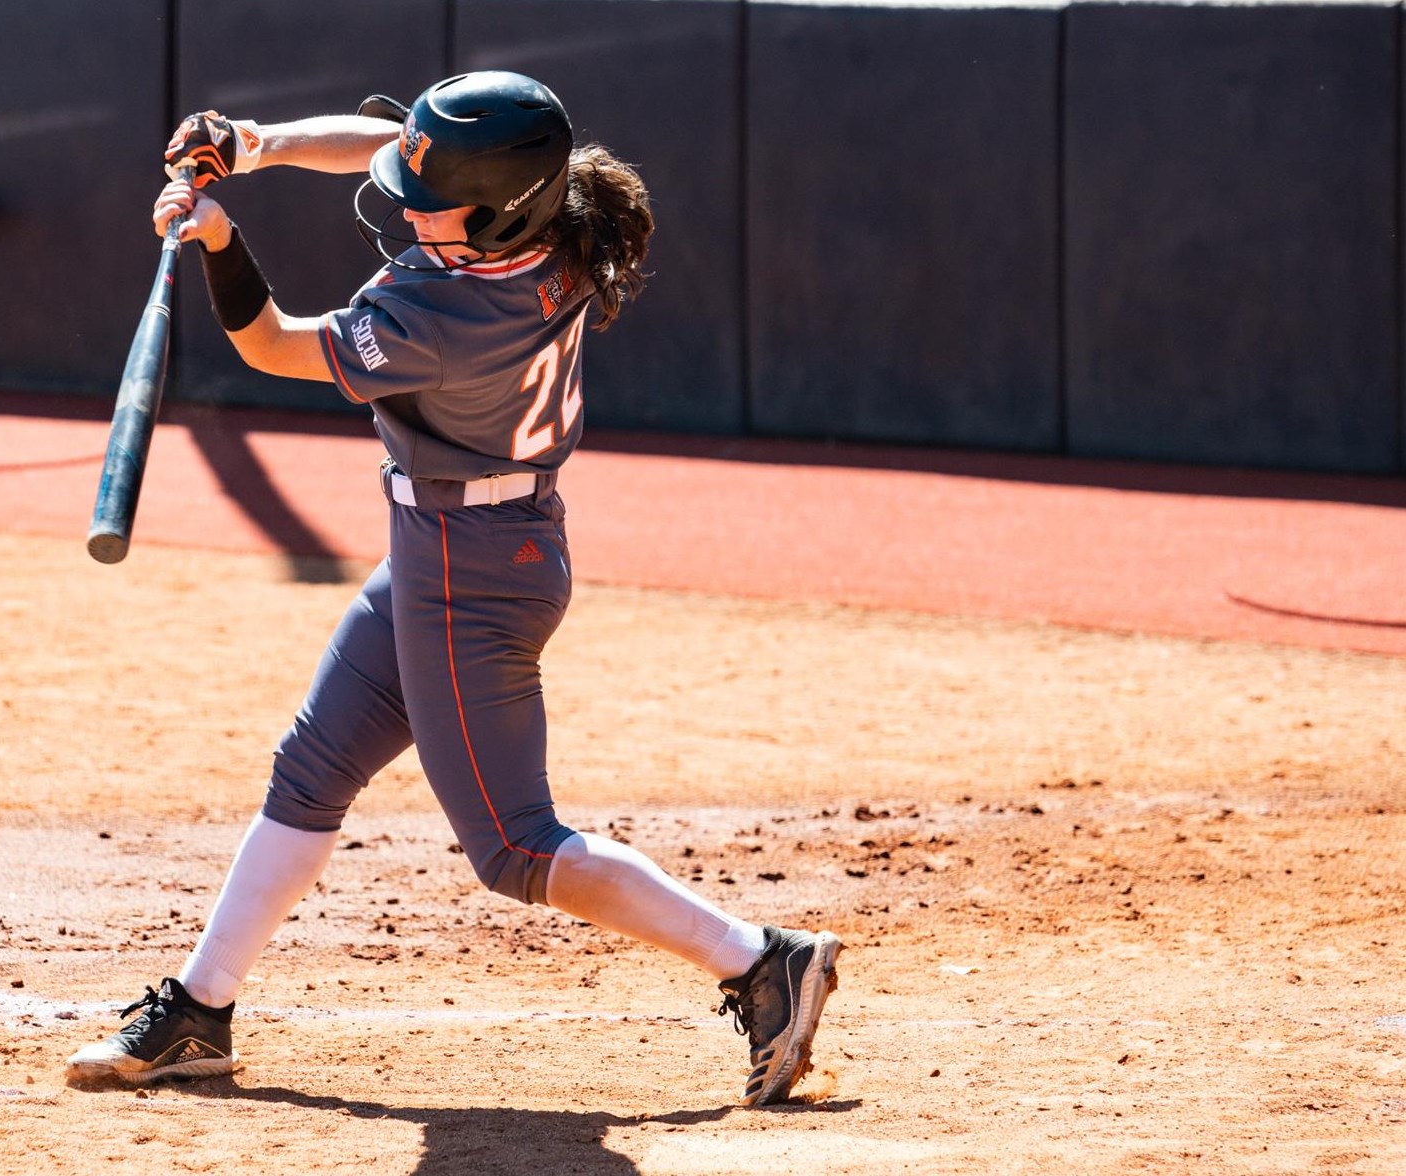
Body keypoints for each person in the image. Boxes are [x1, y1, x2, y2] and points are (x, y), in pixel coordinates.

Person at [64, 72, 842, 1108]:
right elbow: (384, 144)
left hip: (469, 575)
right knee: (311, 771)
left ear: (500, 210)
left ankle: (760, 961)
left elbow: (269, 342)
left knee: (515, 847)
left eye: (434, 203)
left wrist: (218, 241)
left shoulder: (441, 312)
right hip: (459, 546)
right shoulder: (559, 221)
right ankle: (201, 1008)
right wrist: (250, 143)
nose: (408, 208)